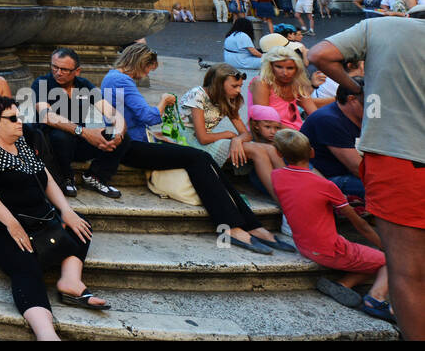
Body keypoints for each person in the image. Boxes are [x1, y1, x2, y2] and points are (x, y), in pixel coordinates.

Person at [102, 46, 292, 254]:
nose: (147, 74)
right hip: (132, 146)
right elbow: (150, 116)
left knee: (203, 160)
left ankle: (251, 225)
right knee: (199, 158)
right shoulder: (122, 81)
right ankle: (235, 227)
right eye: (148, 69)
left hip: (135, 141)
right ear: (139, 63)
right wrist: (164, 100)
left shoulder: (113, 78)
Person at [308, 17, 425, 340]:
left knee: (408, 274)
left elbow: (319, 54)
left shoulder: (384, 27)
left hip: (401, 160)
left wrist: (356, 87)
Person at [0, 95, 107, 340]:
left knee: (80, 224)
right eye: (12, 119)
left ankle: (70, 281)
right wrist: (11, 224)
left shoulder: (21, 140)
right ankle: (46, 334)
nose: (20, 122)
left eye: (19, 116)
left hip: (36, 214)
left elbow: (45, 177)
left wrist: (66, 210)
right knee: (25, 262)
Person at [270, 129, 393, 322]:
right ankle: (375, 299)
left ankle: (344, 284)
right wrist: (384, 246)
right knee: (390, 261)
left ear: (278, 153)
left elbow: (304, 198)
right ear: (312, 152)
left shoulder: (276, 176)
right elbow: (361, 226)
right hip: (331, 250)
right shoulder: (326, 186)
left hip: (304, 246)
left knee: (366, 257)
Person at [29, 46, 127, 199]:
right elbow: (47, 116)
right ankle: (66, 177)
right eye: (54, 67)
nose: (58, 72)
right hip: (51, 146)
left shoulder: (84, 85)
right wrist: (84, 131)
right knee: (61, 136)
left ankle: (96, 176)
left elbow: (112, 113)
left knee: (124, 137)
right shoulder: (41, 83)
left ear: (77, 71)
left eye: (64, 69)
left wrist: (119, 133)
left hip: (78, 143)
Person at [180, 63, 284, 199]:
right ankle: (282, 200)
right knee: (257, 150)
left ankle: (292, 191)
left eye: (240, 86)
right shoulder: (197, 95)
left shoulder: (227, 99)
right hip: (188, 140)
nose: (239, 90)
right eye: (234, 86)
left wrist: (237, 139)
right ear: (218, 84)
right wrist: (229, 135)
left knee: (270, 149)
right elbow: (202, 138)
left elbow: (245, 133)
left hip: (208, 138)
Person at [299, 76, 366, 198]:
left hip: (349, 172)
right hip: (328, 178)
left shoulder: (360, 115)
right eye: (370, 103)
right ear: (352, 99)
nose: (376, 109)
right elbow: (358, 169)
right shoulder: (328, 119)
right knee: (385, 188)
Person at [249, 43, 322, 130]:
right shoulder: (261, 83)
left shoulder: (296, 84)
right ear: (271, 66)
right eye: (279, 67)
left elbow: (314, 113)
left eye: (290, 68)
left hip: (296, 132)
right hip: (271, 134)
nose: (285, 73)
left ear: (297, 69)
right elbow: (265, 121)